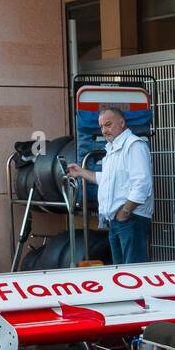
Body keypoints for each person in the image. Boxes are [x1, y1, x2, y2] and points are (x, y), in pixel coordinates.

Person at [66, 105, 153, 263]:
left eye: (108, 124)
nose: (104, 130)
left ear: (122, 122)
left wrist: (125, 212)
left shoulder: (134, 145)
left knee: (133, 274)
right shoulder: (112, 149)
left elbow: (142, 184)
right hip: (117, 220)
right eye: (101, 126)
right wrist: (81, 172)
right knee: (121, 274)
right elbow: (106, 179)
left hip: (131, 219)